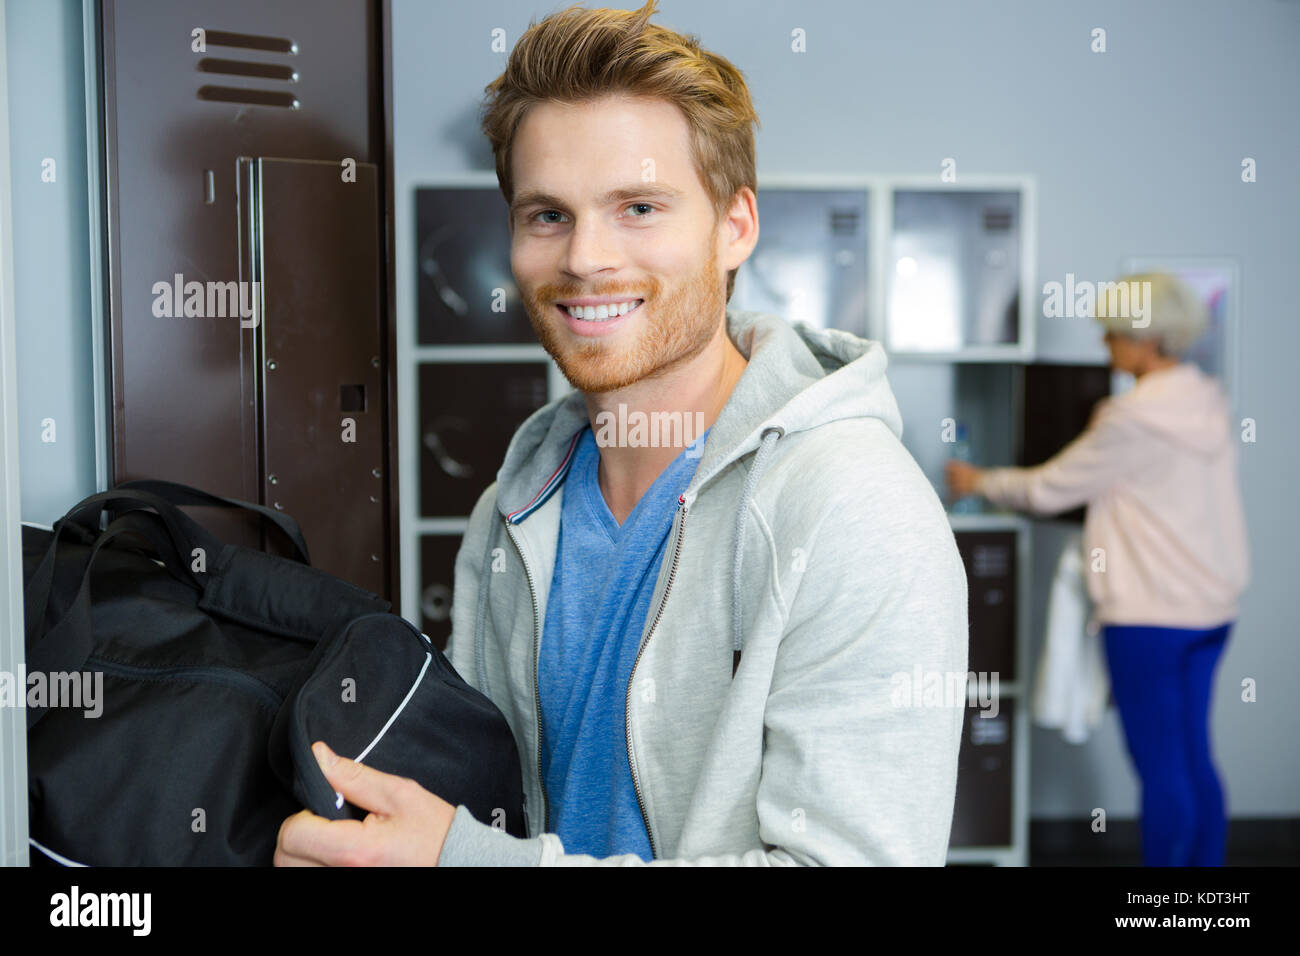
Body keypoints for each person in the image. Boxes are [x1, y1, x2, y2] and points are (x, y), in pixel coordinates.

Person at [275, 0, 967, 867]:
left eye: (639, 207)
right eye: (548, 215)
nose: (585, 259)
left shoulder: (854, 509)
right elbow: (487, 797)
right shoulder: (517, 504)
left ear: (735, 226)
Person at [946, 272, 1250, 867]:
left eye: (1113, 334)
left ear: (1147, 339)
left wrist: (978, 481)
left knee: (1161, 769)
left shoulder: (1131, 417)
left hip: (1152, 618)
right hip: (1212, 612)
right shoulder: (1206, 401)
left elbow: (1052, 487)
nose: (1105, 346)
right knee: (1193, 758)